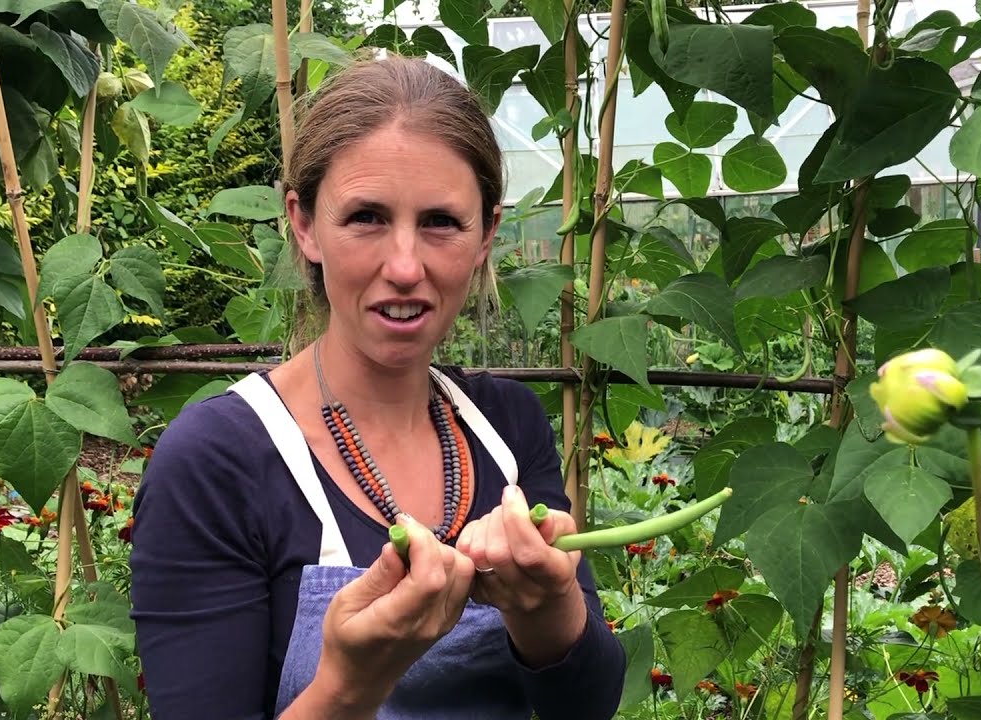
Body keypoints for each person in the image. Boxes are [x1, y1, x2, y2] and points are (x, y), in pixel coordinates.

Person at [128, 55, 628, 720]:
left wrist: (551, 607)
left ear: (486, 236)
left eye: (441, 222)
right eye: (366, 216)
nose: (404, 266)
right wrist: (350, 684)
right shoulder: (218, 460)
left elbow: (585, 705)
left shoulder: (507, 426)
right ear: (303, 225)